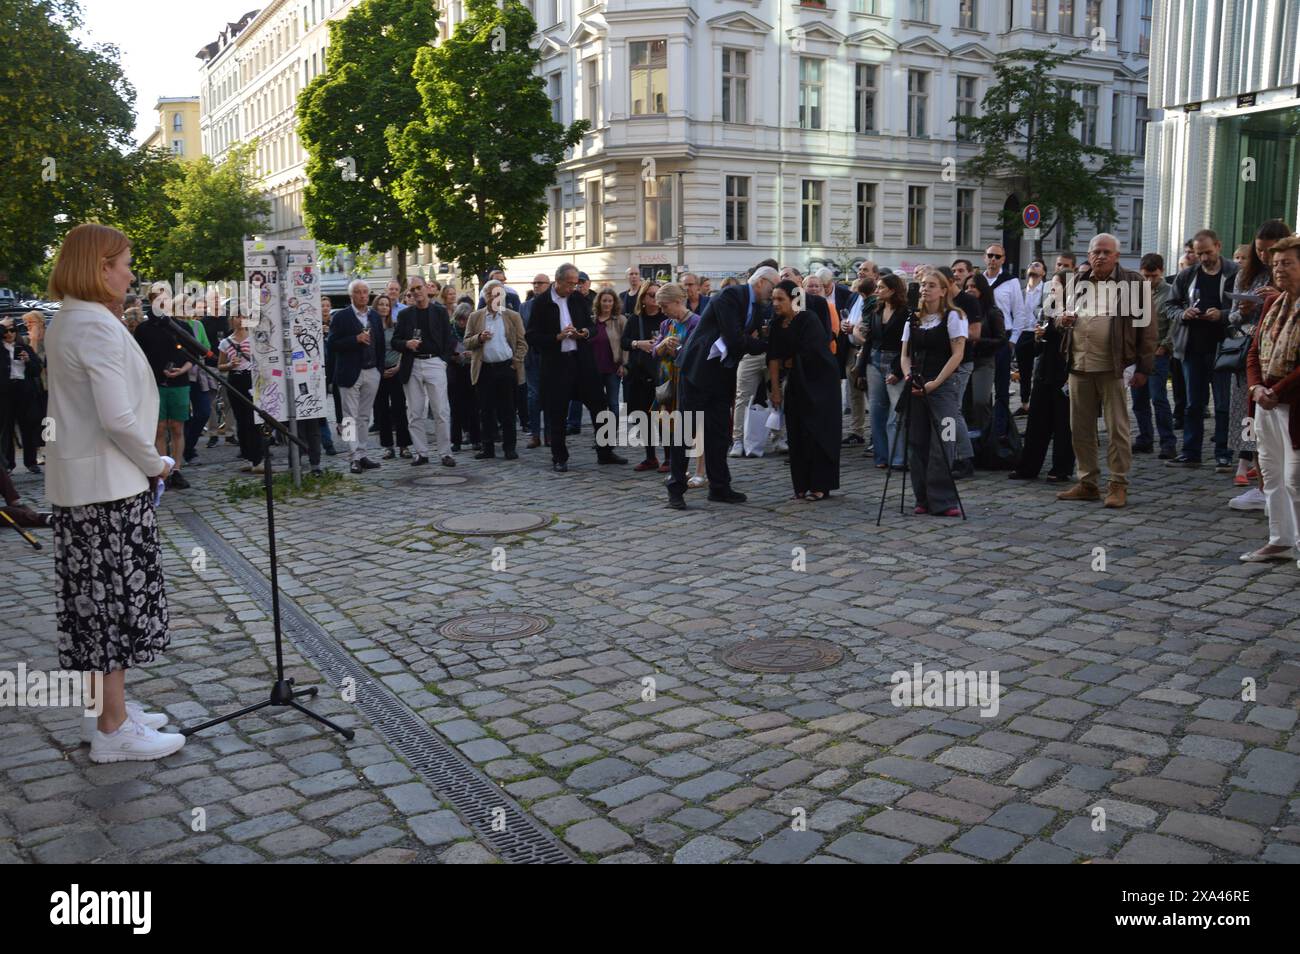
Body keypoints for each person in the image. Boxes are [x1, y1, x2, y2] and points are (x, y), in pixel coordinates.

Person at [43, 223, 182, 763]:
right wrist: (158, 462)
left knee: (96, 605)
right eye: (124, 262)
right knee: (111, 608)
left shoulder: (75, 317)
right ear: (101, 266)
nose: (130, 272)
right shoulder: (92, 325)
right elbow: (117, 418)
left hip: (89, 487)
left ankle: (109, 711)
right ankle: (113, 728)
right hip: (106, 487)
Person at [1056, 233, 1156, 508]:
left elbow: (1148, 329)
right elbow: (1060, 317)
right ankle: (1088, 482)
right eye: (1096, 252)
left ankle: (1118, 483)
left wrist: (1144, 367)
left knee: (1117, 429)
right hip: (1079, 364)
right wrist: (1062, 319)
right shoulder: (1077, 281)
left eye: (1106, 252)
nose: (1100, 256)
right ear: (1089, 256)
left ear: (1117, 256)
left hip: (1114, 366)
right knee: (1080, 429)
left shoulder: (1133, 282)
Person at [665, 266, 776, 508]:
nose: (773, 293)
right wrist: (765, 345)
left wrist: (760, 341)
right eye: (772, 286)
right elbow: (736, 340)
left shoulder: (758, 306)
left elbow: (744, 339)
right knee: (686, 431)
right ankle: (676, 489)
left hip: (722, 374)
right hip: (697, 371)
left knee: (718, 433)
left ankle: (719, 487)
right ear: (761, 282)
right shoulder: (730, 296)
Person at [525, 264, 626, 472]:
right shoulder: (541, 303)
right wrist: (557, 337)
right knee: (557, 412)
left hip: (582, 361)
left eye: (576, 283)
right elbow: (532, 336)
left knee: (600, 406)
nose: (573, 287)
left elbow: (592, 327)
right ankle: (559, 457)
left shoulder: (579, 298)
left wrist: (583, 333)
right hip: (556, 364)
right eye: (570, 284)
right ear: (558, 281)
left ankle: (605, 452)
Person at [1241, 234, 1300, 562]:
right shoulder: (1272, 303)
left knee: (1296, 477)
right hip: (1266, 401)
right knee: (1272, 473)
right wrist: (1256, 388)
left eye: (1288, 263)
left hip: (1293, 404)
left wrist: (1276, 391)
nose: (1279, 270)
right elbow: (1254, 351)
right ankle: (1280, 540)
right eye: (1276, 264)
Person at [1227, 220, 1291, 509]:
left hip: (1281, 363)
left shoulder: (1289, 276)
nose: (1266, 258)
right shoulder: (1246, 275)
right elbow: (1231, 319)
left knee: (1283, 429)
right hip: (1249, 354)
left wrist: (1277, 300)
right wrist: (1244, 310)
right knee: (1249, 420)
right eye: (1260, 250)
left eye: (1271, 252)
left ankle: (1279, 490)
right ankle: (1259, 481)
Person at [1166, 229, 1239, 469]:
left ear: (1218, 246)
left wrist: (1223, 315)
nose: (1204, 258)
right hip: (1192, 347)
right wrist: (1183, 314)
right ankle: (1191, 451)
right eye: (1199, 254)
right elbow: (1171, 306)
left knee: (1222, 404)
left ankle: (1223, 451)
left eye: (1207, 252)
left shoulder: (1234, 272)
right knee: (1193, 403)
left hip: (1224, 347)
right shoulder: (1187, 275)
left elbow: (1246, 309)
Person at [899, 269, 968, 517]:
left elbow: (957, 354)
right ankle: (923, 498)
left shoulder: (954, 316)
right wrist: (909, 376)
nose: (925, 288)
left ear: (943, 290)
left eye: (931, 285)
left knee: (945, 440)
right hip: (916, 385)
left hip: (944, 388)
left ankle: (944, 499)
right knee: (917, 442)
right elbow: (905, 354)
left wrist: (936, 383)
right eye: (923, 284)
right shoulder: (913, 318)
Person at [767, 280, 841, 500]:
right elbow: (773, 357)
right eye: (773, 299)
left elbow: (815, 353)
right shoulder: (776, 324)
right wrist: (775, 389)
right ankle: (800, 485)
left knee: (817, 434)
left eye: (780, 299)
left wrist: (792, 361)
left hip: (820, 385)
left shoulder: (808, 319)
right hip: (796, 384)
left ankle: (820, 485)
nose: (775, 303)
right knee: (797, 432)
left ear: (794, 299)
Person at [1010, 270, 1074, 482]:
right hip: (1044, 370)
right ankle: (1028, 467)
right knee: (1036, 422)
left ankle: (1061, 468)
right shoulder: (1048, 309)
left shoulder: (1075, 311)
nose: (1053, 289)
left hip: (1064, 372)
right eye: (1051, 286)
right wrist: (1038, 338)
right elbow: (1038, 349)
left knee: (1063, 423)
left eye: (1057, 285)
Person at [392, 276, 456, 467]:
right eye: (412, 290)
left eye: (419, 287)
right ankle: (421, 452)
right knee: (414, 412)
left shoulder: (440, 311)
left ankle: (446, 452)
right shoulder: (405, 315)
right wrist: (406, 344)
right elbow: (395, 341)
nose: (416, 292)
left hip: (434, 362)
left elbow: (449, 338)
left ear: (427, 289)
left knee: (441, 410)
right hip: (412, 365)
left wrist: (443, 361)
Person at [651, 283, 707, 488]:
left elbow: (697, 354)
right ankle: (679, 468)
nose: (663, 311)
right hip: (668, 381)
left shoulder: (696, 322)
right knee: (673, 426)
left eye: (665, 306)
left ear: (678, 301)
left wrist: (678, 351)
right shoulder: (667, 324)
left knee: (696, 426)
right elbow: (654, 352)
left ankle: (701, 470)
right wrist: (662, 345)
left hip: (688, 380)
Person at [464, 279, 527, 459]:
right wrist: (479, 338)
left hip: (506, 367)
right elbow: (466, 342)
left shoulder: (512, 316)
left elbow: (523, 344)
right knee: (485, 410)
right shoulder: (475, 317)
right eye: (490, 294)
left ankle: (509, 447)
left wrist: (515, 362)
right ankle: (487, 447)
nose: (493, 297)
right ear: (485, 296)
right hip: (484, 368)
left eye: (497, 294)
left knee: (507, 410)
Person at [854, 273, 909, 469]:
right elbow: (869, 341)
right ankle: (881, 456)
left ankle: (899, 457)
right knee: (877, 411)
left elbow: (908, 345)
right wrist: (860, 371)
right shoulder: (877, 310)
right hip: (874, 361)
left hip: (896, 361)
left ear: (893, 290)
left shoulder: (905, 312)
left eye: (881, 288)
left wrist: (898, 371)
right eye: (877, 287)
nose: (877, 291)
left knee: (896, 412)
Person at [982, 244, 1029, 440]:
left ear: (1003, 259)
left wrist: (1013, 341)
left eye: (997, 256)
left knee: (1002, 387)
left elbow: (1019, 312)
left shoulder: (1010, 282)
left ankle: (1000, 429)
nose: (993, 259)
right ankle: (983, 427)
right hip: (983, 337)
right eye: (990, 255)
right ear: (985, 257)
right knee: (982, 387)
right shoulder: (979, 280)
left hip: (1003, 336)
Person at [1132, 254, 1177, 458]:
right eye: (1146, 276)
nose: (1149, 280)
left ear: (1162, 272)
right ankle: (1145, 438)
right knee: (1138, 399)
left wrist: (1166, 346)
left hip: (1158, 351)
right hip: (1137, 352)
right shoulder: (1136, 291)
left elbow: (1175, 323)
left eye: (1154, 276)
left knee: (1158, 398)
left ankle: (1168, 442)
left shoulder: (1169, 292)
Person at [622, 281, 663, 472]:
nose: (654, 299)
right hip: (639, 375)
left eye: (657, 295)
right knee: (642, 417)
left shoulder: (666, 318)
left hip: (661, 374)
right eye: (651, 295)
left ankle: (670, 458)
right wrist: (639, 343)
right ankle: (650, 457)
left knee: (663, 418)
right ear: (643, 298)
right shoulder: (635, 319)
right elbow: (624, 342)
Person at [217, 311, 263, 473]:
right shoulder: (225, 342)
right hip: (235, 380)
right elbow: (220, 366)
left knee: (254, 419)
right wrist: (229, 365)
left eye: (244, 316)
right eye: (237, 316)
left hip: (252, 379)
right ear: (232, 320)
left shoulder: (255, 338)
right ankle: (247, 457)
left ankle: (258, 459)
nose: (241, 320)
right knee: (241, 420)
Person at [373, 294, 413, 460]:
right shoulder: (371, 327)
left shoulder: (395, 326)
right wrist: (379, 370)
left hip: (396, 370)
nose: (384, 307)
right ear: (375, 307)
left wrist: (398, 366)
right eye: (381, 304)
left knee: (399, 409)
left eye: (387, 305)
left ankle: (404, 445)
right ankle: (388, 447)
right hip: (378, 373)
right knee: (382, 410)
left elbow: (402, 348)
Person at [0, 319, 43, 474]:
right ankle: (8, 463)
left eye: (13, 331)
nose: (10, 334)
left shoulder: (24, 347)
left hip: (24, 391)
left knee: (28, 427)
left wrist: (28, 360)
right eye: (6, 331)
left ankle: (30, 461)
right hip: (5, 392)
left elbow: (37, 370)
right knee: (7, 428)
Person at [179, 297, 214, 467]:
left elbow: (206, 347)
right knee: (183, 416)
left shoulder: (198, 326)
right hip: (180, 375)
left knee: (203, 412)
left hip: (198, 375)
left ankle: (188, 444)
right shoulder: (173, 326)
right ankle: (186, 451)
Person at [447, 302, 480, 452]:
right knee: (455, 407)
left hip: (471, 370)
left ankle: (475, 439)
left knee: (473, 406)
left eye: (465, 320)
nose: (462, 323)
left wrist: (472, 355)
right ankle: (456, 440)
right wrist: (453, 357)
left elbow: (481, 349)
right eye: (460, 319)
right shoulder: (450, 331)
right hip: (455, 371)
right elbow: (444, 349)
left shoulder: (475, 330)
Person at [521, 274, 549, 448]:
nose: (537, 286)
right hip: (531, 356)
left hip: (549, 356)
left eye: (540, 283)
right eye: (535, 283)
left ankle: (549, 434)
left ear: (548, 284)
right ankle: (535, 434)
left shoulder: (554, 304)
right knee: (533, 396)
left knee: (549, 395)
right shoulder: (524, 307)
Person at [591, 287, 626, 416]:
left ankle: (613, 431)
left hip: (613, 368)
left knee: (613, 402)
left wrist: (624, 364)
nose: (607, 304)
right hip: (595, 369)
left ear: (614, 303)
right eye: (604, 300)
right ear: (599, 302)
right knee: (597, 402)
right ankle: (600, 430)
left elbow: (625, 344)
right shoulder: (592, 321)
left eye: (610, 301)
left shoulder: (620, 320)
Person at [1019, 260, 1047, 413]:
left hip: (1040, 333)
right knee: (1024, 370)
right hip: (1023, 334)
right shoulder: (1021, 292)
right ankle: (1024, 402)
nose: (1032, 266)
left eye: (1037, 265)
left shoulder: (1047, 291)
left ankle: (1038, 402)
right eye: (1030, 264)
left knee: (1039, 370)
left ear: (1043, 272)